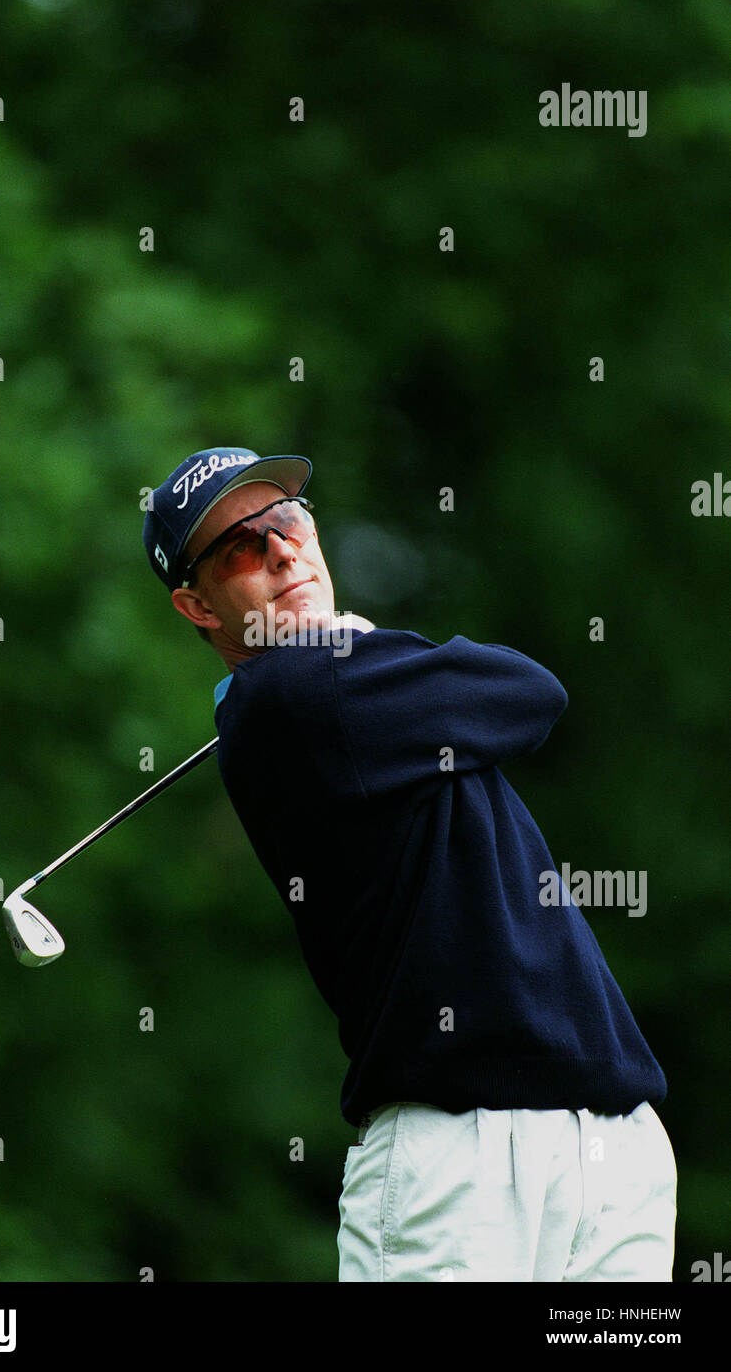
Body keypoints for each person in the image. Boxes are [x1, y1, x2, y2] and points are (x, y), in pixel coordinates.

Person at [142, 448, 677, 1282]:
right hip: (458, 1164)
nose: (280, 551)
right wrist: (353, 645)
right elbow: (528, 689)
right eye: (239, 549)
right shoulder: (286, 698)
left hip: (612, 1147)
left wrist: (359, 650)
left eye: (286, 521)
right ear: (197, 605)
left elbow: (512, 700)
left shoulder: (342, 688)